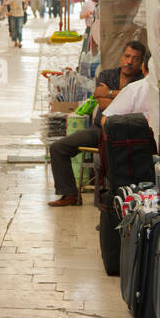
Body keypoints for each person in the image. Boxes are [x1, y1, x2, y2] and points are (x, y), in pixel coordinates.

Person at [46, 41, 148, 206]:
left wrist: (108, 93)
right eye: (127, 56)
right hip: (99, 129)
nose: (129, 62)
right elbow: (102, 104)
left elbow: (110, 102)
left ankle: (108, 200)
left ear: (141, 63)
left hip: (122, 134)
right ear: (121, 57)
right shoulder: (107, 75)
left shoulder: (141, 82)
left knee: (104, 160)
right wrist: (123, 100)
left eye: (135, 59)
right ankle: (70, 194)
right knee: (58, 147)